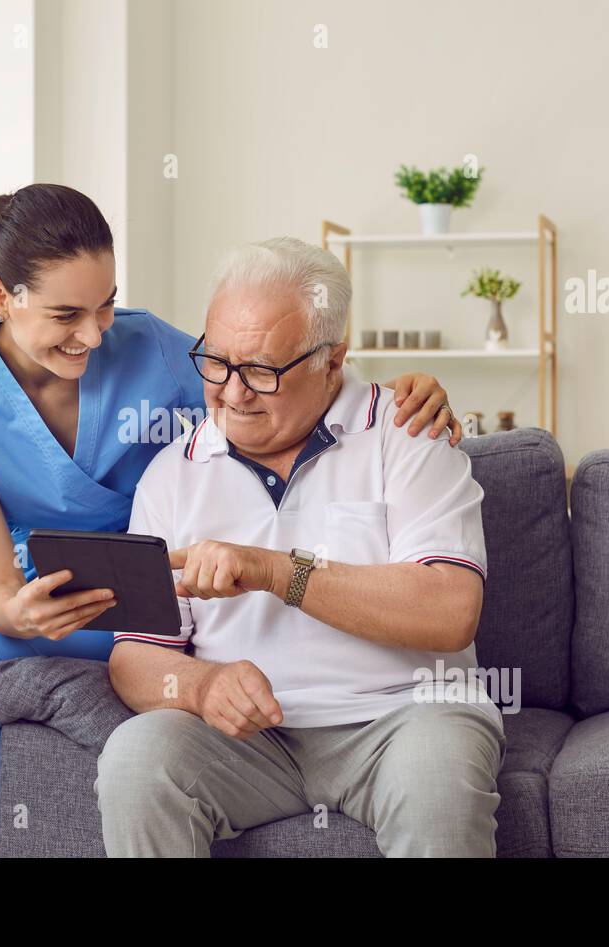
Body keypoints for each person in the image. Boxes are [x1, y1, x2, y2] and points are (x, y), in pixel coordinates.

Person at [0, 184, 462, 858]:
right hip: (33, 597)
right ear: (0, 297)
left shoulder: (151, 350)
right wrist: (19, 613)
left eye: (105, 304)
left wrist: (402, 389)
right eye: (68, 313)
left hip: (141, 595)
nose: (95, 333)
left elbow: (277, 373)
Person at [96, 236, 504, 857]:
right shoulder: (172, 474)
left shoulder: (408, 434)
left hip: (405, 718)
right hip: (248, 744)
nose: (231, 393)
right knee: (137, 758)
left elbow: (449, 612)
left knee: (436, 781)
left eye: (261, 370)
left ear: (332, 359)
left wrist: (273, 570)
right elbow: (135, 657)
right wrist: (201, 687)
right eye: (216, 362)